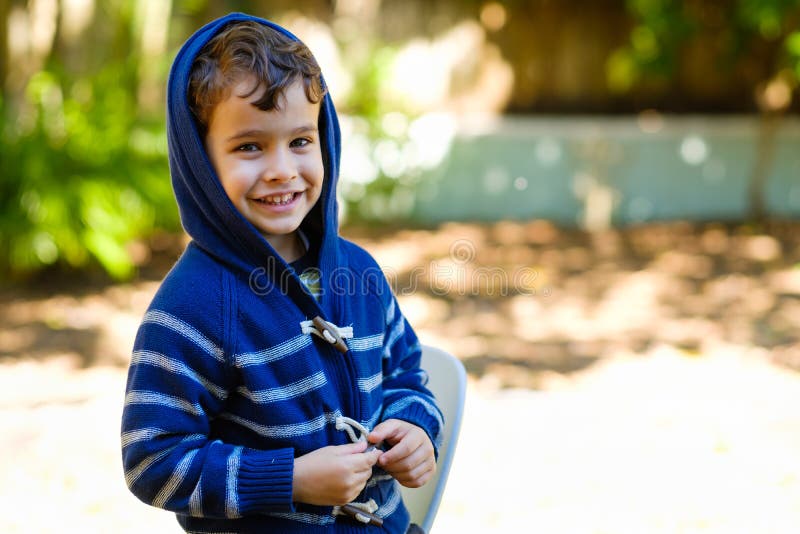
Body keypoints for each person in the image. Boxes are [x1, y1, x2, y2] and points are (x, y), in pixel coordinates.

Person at [120, 12, 442, 534]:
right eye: (250, 146)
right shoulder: (192, 307)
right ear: (201, 160)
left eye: (299, 141)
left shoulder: (358, 274)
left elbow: (407, 371)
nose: (281, 169)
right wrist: (288, 478)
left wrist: (415, 427)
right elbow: (151, 460)